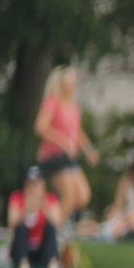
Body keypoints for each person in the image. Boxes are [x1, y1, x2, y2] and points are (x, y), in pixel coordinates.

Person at [33, 66, 97, 220]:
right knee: (69, 196)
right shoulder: (52, 102)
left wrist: (88, 149)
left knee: (83, 196)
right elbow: (41, 127)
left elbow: (77, 131)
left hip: (68, 157)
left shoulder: (73, 106)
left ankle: (53, 219)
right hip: (54, 156)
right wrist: (62, 141)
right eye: (71, 78)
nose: (75, 82)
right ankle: (54, 233)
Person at [8, 167, 65, 268]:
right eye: (30, 184)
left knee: (50, 227)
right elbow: (12, 223)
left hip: (42, 248)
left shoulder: (51, 199)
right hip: (23, 249)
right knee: (21, 227)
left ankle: (53, 266)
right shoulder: (17, 198)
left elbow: (57, 222)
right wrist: (26, 210)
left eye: (36, 184)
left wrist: (42, 204)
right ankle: (23, 267)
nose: (32, 188)